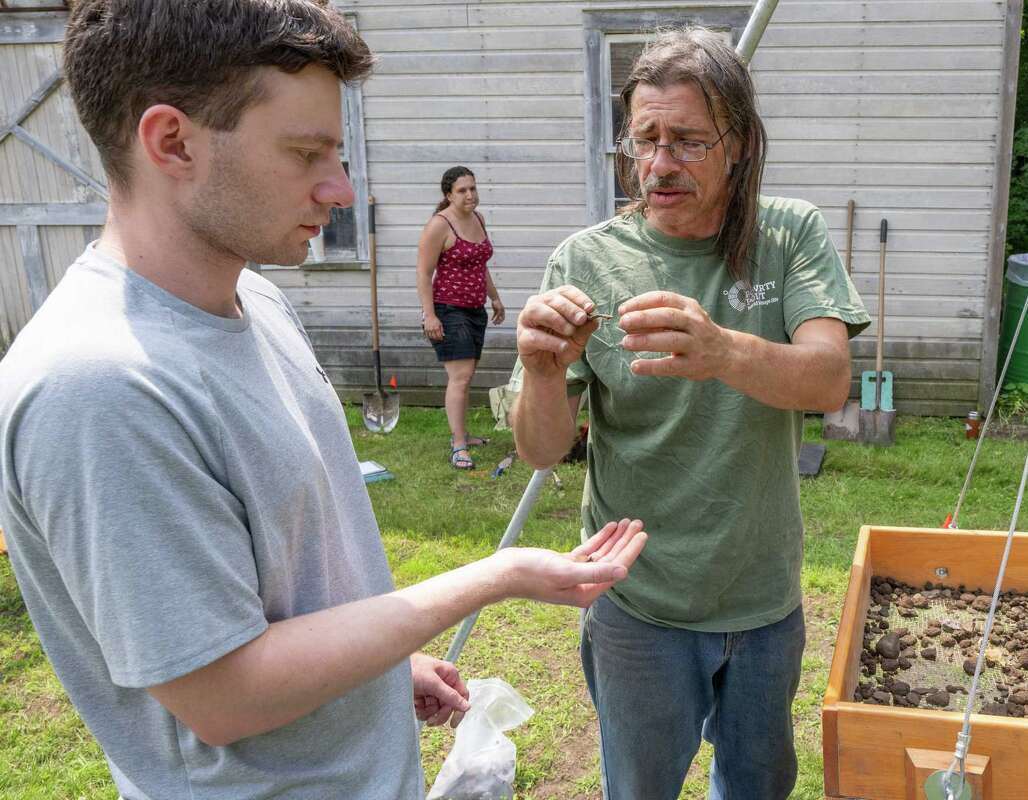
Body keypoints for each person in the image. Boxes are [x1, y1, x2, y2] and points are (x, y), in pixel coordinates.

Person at [0, 3, 646, 799]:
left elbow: (289, 577)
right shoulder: (99, 386)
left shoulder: (258, 302)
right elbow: (221, 694)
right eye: (307, 153)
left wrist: (379, 664)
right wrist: (497, 573)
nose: (340, 188)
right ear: (172, 141)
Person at [511, 26, 871, 800]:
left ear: (736, 143)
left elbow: (830, 381)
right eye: (645, 140)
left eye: (687, 141)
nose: (660, 163)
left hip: (762, 596)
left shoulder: (788, 235)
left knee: (756, 787)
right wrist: (542, 372)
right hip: (638, 602)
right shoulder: (587, 261)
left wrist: (724, 351)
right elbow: (542, 450)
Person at [416, 166, 505, 470]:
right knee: (460, 377)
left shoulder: (478, 219)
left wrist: (494, 296)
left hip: (475, 310)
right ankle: (458, 446)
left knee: (465, 379)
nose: (470, 195)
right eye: (462, 190)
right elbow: (424, 273)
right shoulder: (439, 226)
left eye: (473, 188)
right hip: (448, 310)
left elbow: (480, 264)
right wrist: (429, 316)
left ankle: (463, 434)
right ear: (448, 195)